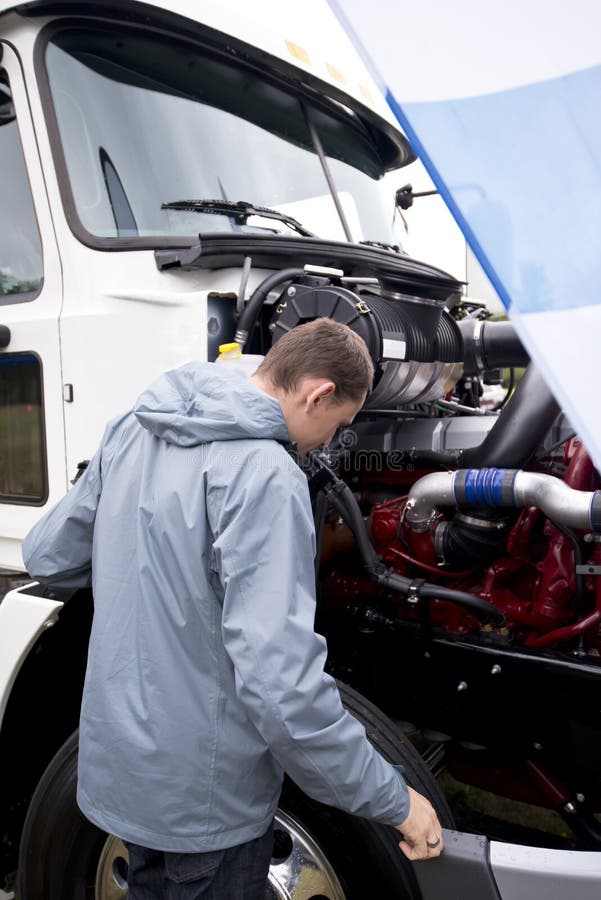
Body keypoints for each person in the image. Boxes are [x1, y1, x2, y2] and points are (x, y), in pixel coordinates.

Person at [23, 318, 443, 899]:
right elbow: (281, 685)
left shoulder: (134, 426)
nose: (327, 444)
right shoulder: (266, 475)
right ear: (317, 392)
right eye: (338, 425)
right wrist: (394, 799)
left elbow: (46, 554)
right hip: (205, 809)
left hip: (123, 780)